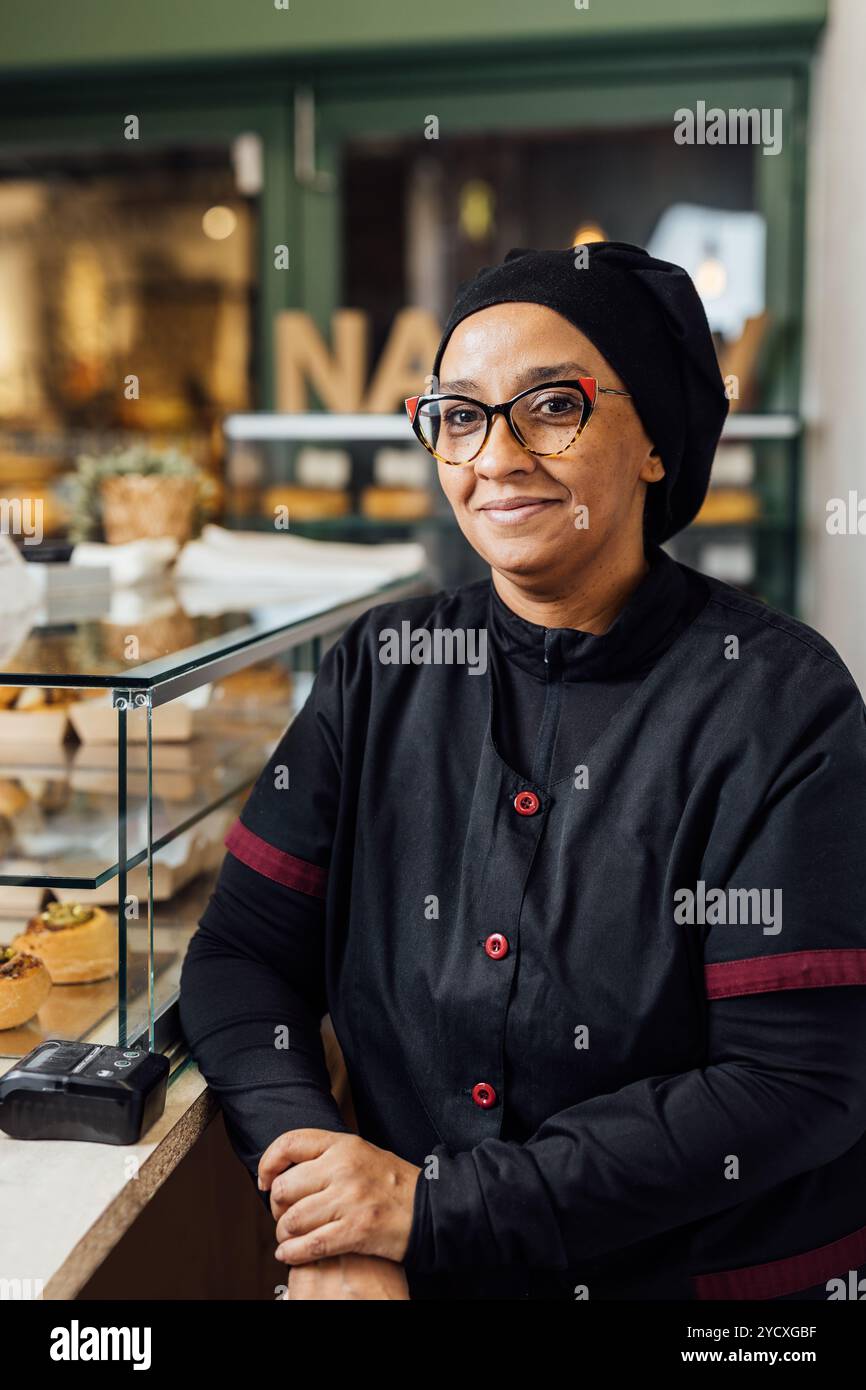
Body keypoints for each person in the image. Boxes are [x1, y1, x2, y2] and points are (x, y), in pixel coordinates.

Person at [180, 243, 866, 1301]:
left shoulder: (779, 705)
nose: (492, 455)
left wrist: (425, 1211)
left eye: (550, 405)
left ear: (652, 443)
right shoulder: (379, 672)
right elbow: (237, 960)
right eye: (457, 414)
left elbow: (788, 1084)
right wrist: (335, 1210)